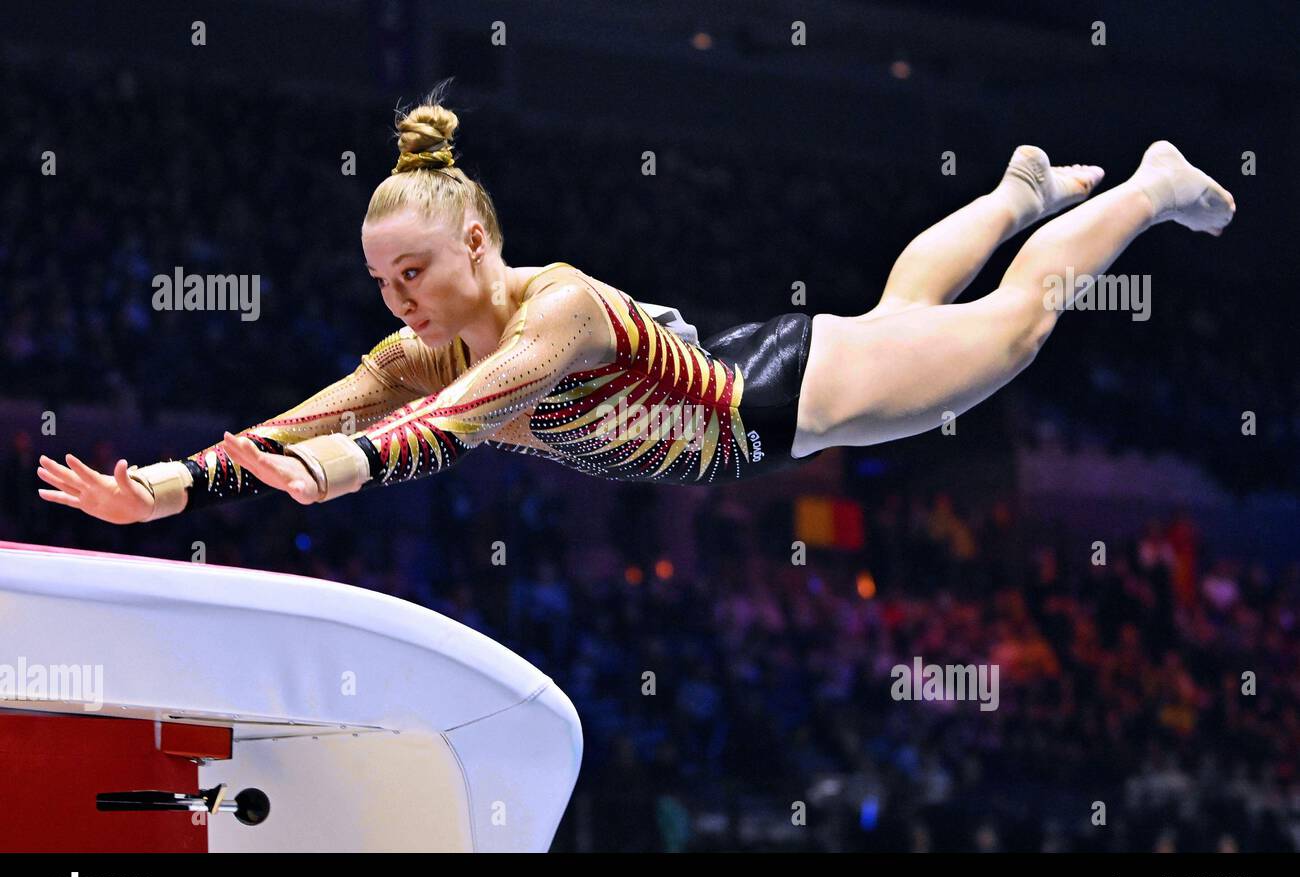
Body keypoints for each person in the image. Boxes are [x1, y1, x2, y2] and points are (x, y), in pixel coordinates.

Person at [36, 85, 1235, 524]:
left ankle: (1149, 185)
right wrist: (168, 486)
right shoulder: (418, 350)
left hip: (774, 398)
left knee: (1017, 327)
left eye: (415, 273)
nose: (400, 303)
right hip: (753, 376)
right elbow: (299, 421)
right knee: (900, 311)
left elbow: (447, 428)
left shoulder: (557, 311)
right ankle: (1018, 190)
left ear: (477, 241)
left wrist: (339, 473)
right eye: (383, 284)